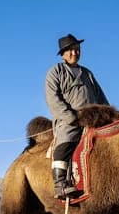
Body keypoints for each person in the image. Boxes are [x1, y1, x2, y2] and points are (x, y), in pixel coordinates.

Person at [45, 34, 109, 199]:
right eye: (71, 50)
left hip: (94, 120)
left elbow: (101, 97)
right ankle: (60, 184)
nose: (75, 53)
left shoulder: (87, 74)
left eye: (77, 49)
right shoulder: (55, 72)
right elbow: (53, 99)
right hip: (70, 121)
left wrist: (109, 115)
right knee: (67, 139)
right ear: (63, 53)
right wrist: (71, 118)